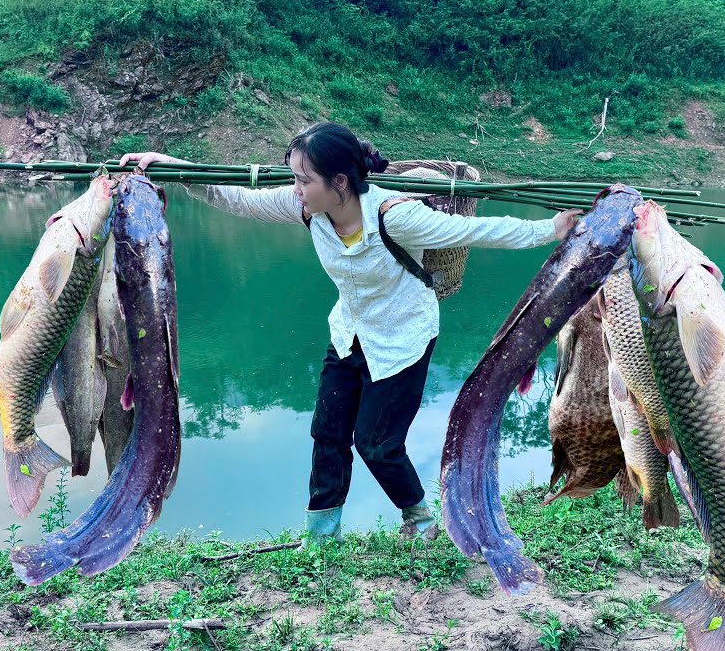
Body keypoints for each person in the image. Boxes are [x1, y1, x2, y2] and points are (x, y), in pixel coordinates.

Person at [119, 122, 580, 544]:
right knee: (327, 433)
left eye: (304, 179)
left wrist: (551, 228)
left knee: (378, 443)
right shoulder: (307, 209)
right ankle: (322, 535)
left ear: (339, 182)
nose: (296, 189)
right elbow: (234, 197)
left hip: (403, 339)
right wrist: (172, 167)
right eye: (294, 178)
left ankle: (419, 519)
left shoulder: (394, 215)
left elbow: (477, 230)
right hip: (349, 334)